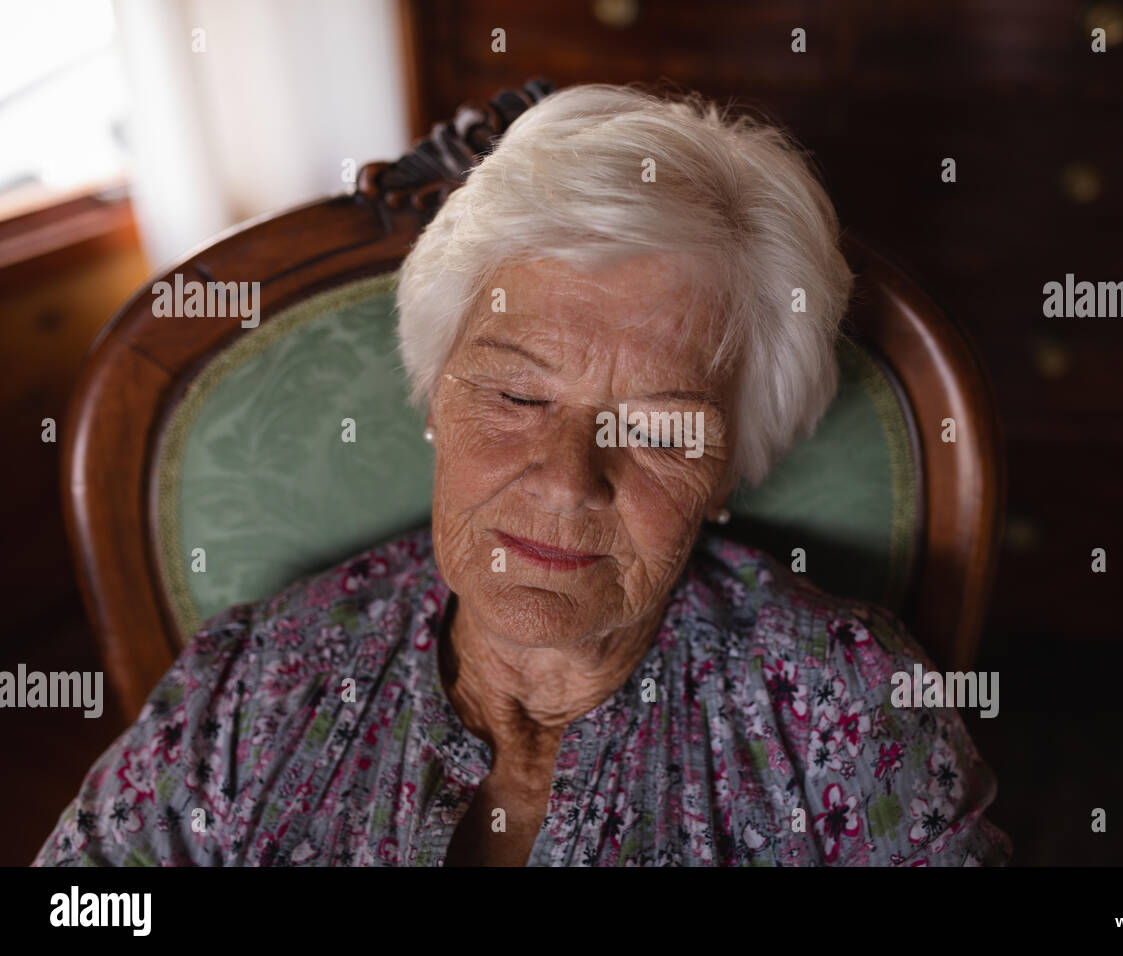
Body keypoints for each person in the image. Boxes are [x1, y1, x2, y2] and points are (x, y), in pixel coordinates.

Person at [34, 83, 1011, 866]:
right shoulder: (247, 692)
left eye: (657, 429)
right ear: (432, 398)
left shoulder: (847, 706)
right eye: (516, 396)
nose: (565, 479)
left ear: (729, 467)